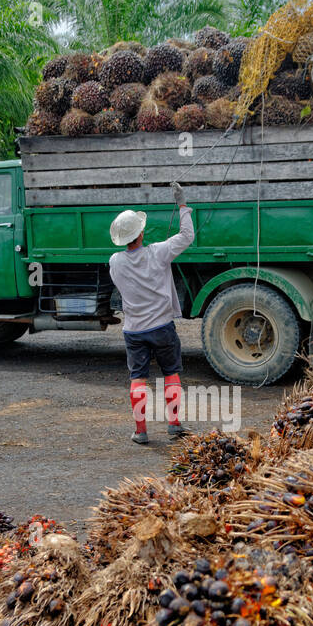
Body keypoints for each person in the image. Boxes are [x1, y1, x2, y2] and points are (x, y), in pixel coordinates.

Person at [109, 181, 194, 445]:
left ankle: (141, 431)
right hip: (162, 328)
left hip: (134, 330)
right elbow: (187, 235)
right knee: (171, 373)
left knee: (138, 379)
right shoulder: (159, 252)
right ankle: (174, 424)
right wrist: (182, 205)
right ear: (141, 233)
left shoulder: (114, 261)